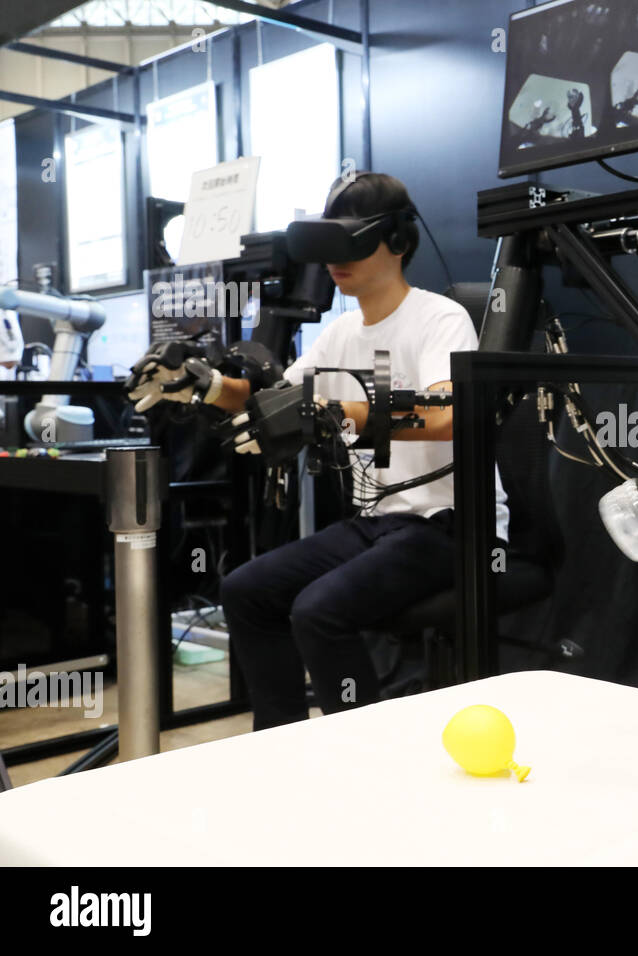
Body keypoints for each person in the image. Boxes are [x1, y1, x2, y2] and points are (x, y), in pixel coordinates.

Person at [132, 172, 509, 729]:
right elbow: (273, 399)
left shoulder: (440, 318)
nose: (335, 260)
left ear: (398, 243)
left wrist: (342, 413)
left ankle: (357, 753)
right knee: (247, 591)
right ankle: (281, 742)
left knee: (318, 610)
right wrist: (204, 385)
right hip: (377, 521)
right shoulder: (339, 335)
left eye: (350, 243)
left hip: (451, 523)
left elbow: (446, 413)